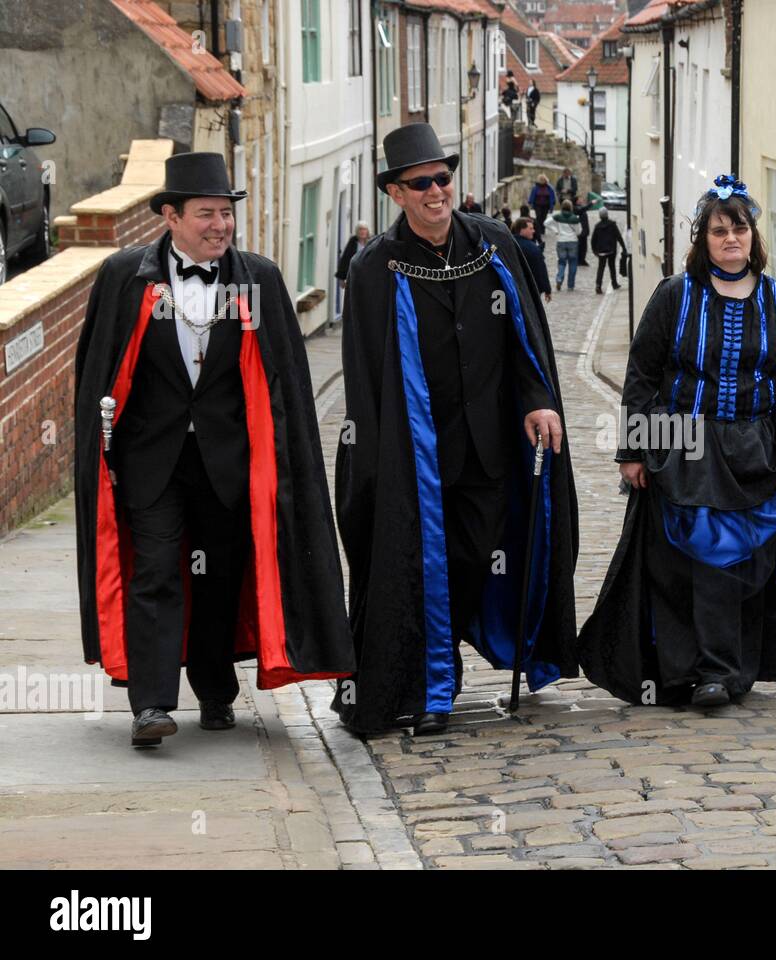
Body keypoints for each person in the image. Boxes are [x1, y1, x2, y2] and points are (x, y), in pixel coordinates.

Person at [73, 152, 354, 747]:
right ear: (170, 216)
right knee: (155, 572)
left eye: (226, 214)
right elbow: (97, 372)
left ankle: (215, 691)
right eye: (207, 215)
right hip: (151, 461)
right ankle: (150, 704)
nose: (220, 227)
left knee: (217, 577)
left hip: (229, 463)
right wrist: (106, 458)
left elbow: (284, 383)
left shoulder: (259, 278)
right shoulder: (126, 277)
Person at [333, 123, 580, 737]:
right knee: (427, 569)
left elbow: (527, 342)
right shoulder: (375, 269)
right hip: (418, 455)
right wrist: (377, 457)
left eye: (443, 178)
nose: (436, 191)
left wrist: (539, 400)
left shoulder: (493, 246)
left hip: (494, 447)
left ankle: (490, 653)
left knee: (481, 559)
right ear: (396, 193)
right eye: (421, 184)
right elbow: (365, 377)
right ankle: (435, 688)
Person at [578, 175, 776, 707]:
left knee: (746, 564)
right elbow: (643, 371)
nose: (731, 239)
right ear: (702, 239)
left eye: (740, 229)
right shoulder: (674, 296)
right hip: (683, 441)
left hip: (756, 447)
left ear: (754, 236)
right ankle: (699, 671)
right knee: (693, 560)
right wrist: (633, 450)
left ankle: (733, 670)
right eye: (718, 231)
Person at [512, 217, 551, 304]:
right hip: (531, 290)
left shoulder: (508, 243)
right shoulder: (532, 248)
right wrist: (547, 289)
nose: (533, 231)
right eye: (531, 228)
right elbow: (541, 270)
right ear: (522, 229)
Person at [545, 200, 581, 292]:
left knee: (561, 262)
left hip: (561, 241)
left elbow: (546, 223)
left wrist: (556, 231)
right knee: (572, 263)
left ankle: (559, 279)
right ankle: (570, 285)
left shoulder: (557, 217)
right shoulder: (575, 218)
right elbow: (578, 232)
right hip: (572, 241)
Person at [591, 209, 626, 294]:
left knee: (601, 268)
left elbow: (593, 240)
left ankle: (598, 285)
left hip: (601, 251)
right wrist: (624, 247)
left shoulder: (597, 226)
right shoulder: (612, 224)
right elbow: (618, 236)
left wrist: (594, 250)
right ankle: (614, 283)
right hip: (611, 250)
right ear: (607, 215)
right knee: (612, 267)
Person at [335, 221, 371, 288]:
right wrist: (342, 278)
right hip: (355, 275)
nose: (362, 231)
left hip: (368, 275)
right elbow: (345, 259)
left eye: (364, 229)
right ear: (357, 231)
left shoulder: (372, 242)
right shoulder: (353, 242)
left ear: (367, 231)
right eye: (360, 229)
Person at [528, 175, 556, 241]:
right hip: (537, 205)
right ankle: (539, 230)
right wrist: (530, 202)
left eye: (543, 180)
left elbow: (552, 196)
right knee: (538, 217)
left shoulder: (549, 188)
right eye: (541, 180)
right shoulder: (535, 187)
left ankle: (542, 230)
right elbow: (532, 195)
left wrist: (552, 205)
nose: (542, 181)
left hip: (546, 205)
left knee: (544, 217)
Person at [575, 195, 592, 266]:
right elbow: (583, 209)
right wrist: (591, 203)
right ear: (577, 201)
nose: (582, 200)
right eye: (580, 199)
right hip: (580, 231)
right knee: (580, 247)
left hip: (584, 230)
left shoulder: (580, 208)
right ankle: (579, 260)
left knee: (584, 247)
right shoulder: (576, 208)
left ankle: (582, 260)